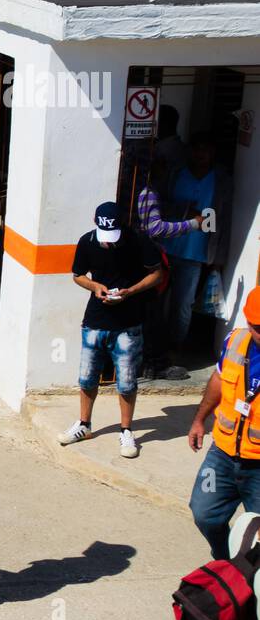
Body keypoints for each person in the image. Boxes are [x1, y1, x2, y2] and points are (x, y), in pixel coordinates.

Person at [58, 202, 164, 459]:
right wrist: (95, 287)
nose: (108, 243)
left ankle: (126, 430)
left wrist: (131, 291)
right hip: (95, 320)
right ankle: (84, 425)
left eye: (113, 235)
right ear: (95, 221)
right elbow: (77, 275)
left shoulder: (138, 242)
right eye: (105, 237)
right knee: (87, 377)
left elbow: (157, 274)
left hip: (128, 323)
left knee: (127, 381)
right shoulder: (87, 242)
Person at [187, 287, 260, 559]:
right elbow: (218, 381)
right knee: (204, 514)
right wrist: (199, 420)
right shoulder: (235, 341)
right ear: (249, 321)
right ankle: (228, 563)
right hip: (223, 454)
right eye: (259, 327)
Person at [136, 157, 205, 380]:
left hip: (144, 259)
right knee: (153, 314)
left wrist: (183, 210)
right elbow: (154, 228)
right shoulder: (148, 192)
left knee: (150, 313)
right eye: (163, 164)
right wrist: (192, 224)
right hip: (147, 262)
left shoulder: (142, 189)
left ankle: (150, 363)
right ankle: (156, 364)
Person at [161, 135, 231, 351]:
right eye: (196, 148)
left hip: (196, 253)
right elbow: (158, 204)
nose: (200, 154)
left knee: (183, 305)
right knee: (154, 300)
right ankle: (151, 346)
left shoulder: (221, 180)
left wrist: (218, 258)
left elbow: (224, 219)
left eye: (205, 149)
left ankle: (174, 349)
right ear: (189, 151)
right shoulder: (176, 173)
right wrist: (185, 211)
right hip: (164, 247)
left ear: (212, 154)